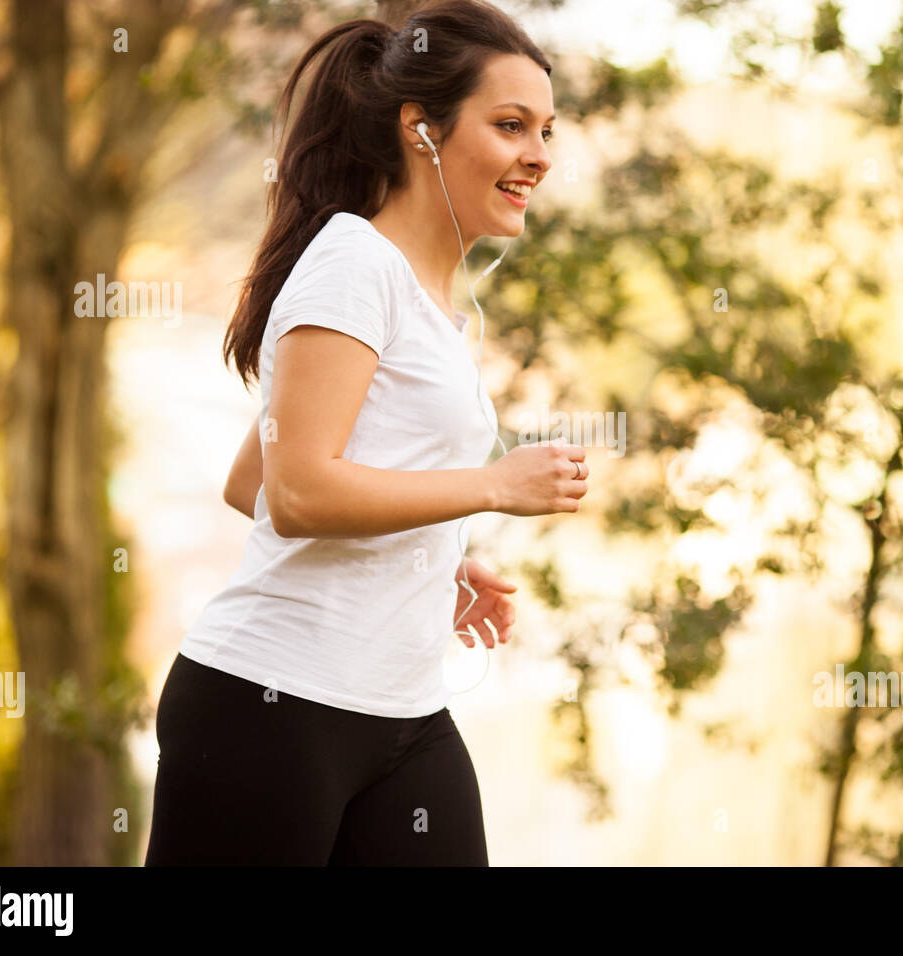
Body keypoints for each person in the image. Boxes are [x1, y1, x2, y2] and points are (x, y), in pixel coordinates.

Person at [144, 0, 589, 867]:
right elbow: (298, 491)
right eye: (510, 125)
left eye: (546, 130)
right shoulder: (353, 266)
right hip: (270, 706)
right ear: (420, 130)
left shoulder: (434, 304)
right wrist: (497, 486)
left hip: (403, 716)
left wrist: (432, 558)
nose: (538, 155)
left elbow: (255, 480)